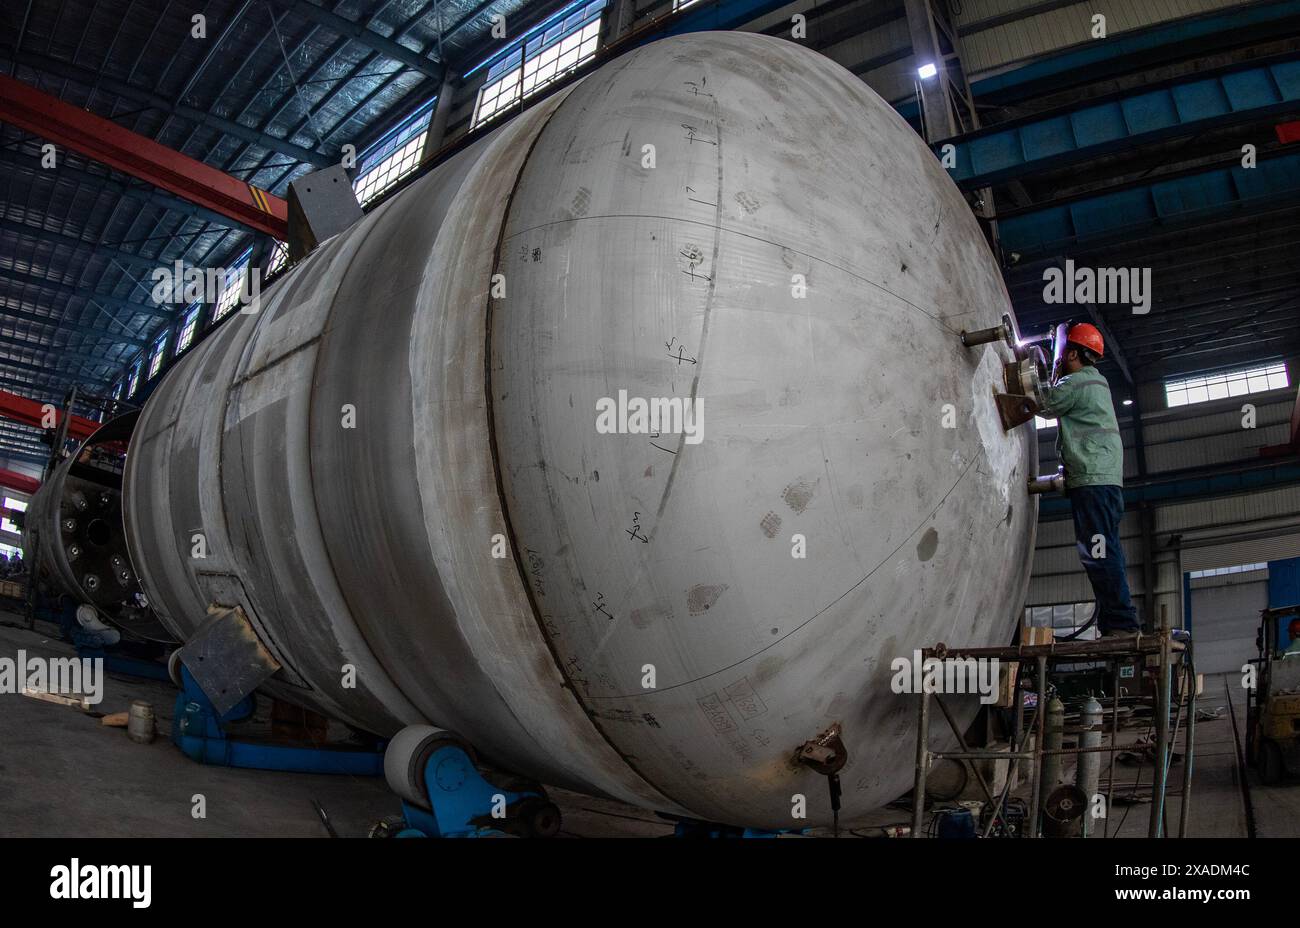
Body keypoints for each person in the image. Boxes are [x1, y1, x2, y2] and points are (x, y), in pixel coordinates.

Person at [1039, 322, 1140, 638]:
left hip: (1093, 482)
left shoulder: (1076, 383)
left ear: (1070, 353)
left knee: (1098, 553)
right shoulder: (1097, 382)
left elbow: (1045, 404)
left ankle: (1121, 623)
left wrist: (1038, 374)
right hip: (1105, 481)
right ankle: (1117, 622)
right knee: (1106, 550)